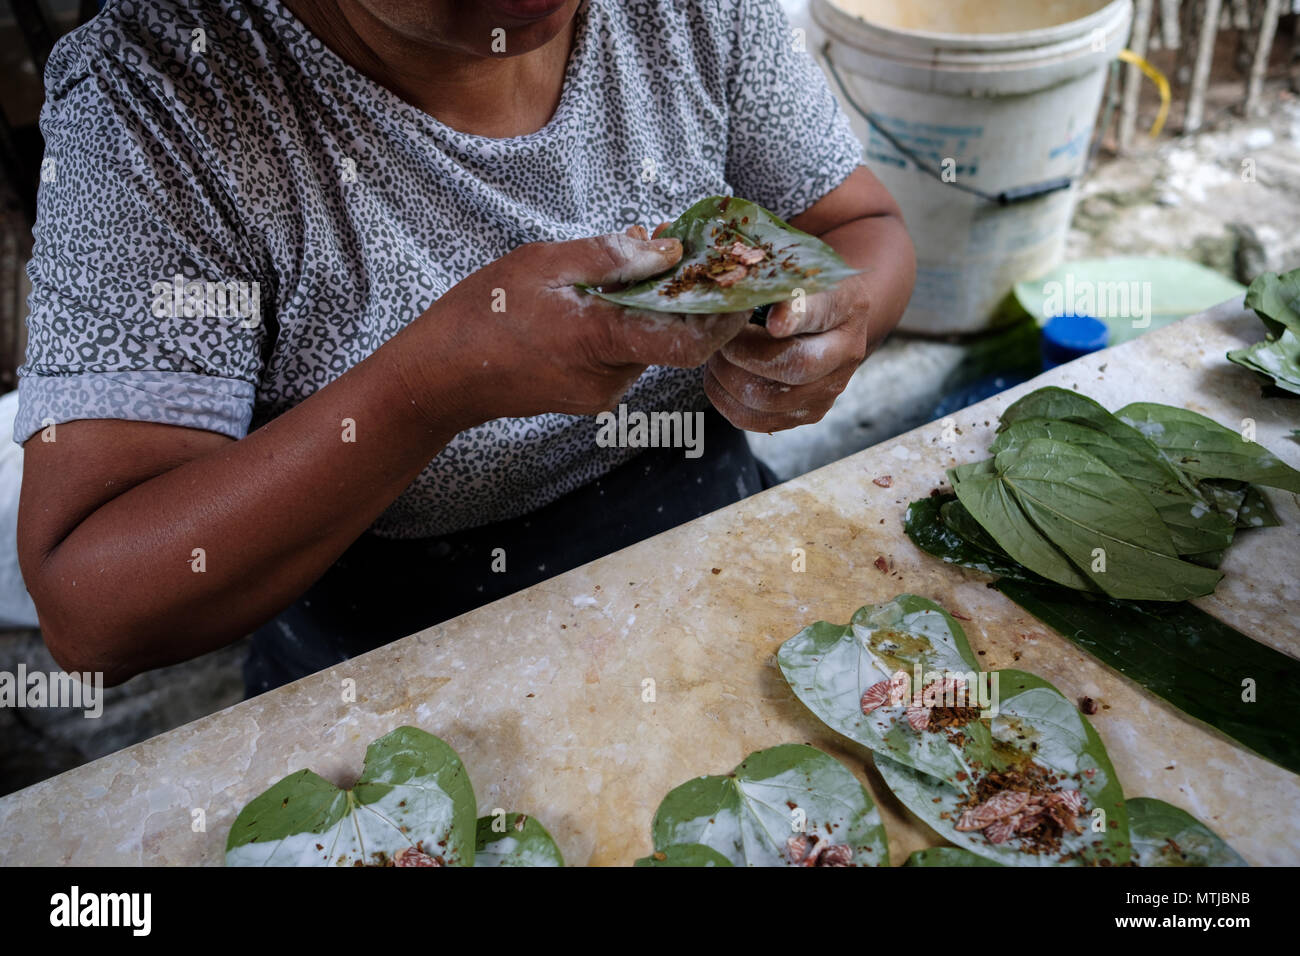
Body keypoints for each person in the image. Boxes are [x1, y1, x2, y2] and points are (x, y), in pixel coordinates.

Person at [16, 0, 915, 695]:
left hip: (711, 555)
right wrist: (428, 387)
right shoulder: (161, 98)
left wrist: (828, 321)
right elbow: (92, 613)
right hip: (400, 676)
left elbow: (860, 225)